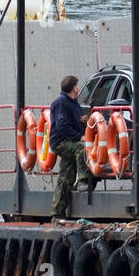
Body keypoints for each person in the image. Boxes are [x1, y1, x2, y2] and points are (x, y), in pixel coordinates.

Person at [49, 75, 93, 219]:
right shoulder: (61, 102)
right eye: (77, 85)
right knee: (81, 147)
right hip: (61, 142)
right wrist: (79, 137)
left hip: (68, 142)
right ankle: (83, 180)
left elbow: (73, 120)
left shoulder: (73, 103)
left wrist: (82, 120)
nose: (79, 88)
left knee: (65, 177)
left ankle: (57, 213)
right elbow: (62, 125)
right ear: (73, 88)